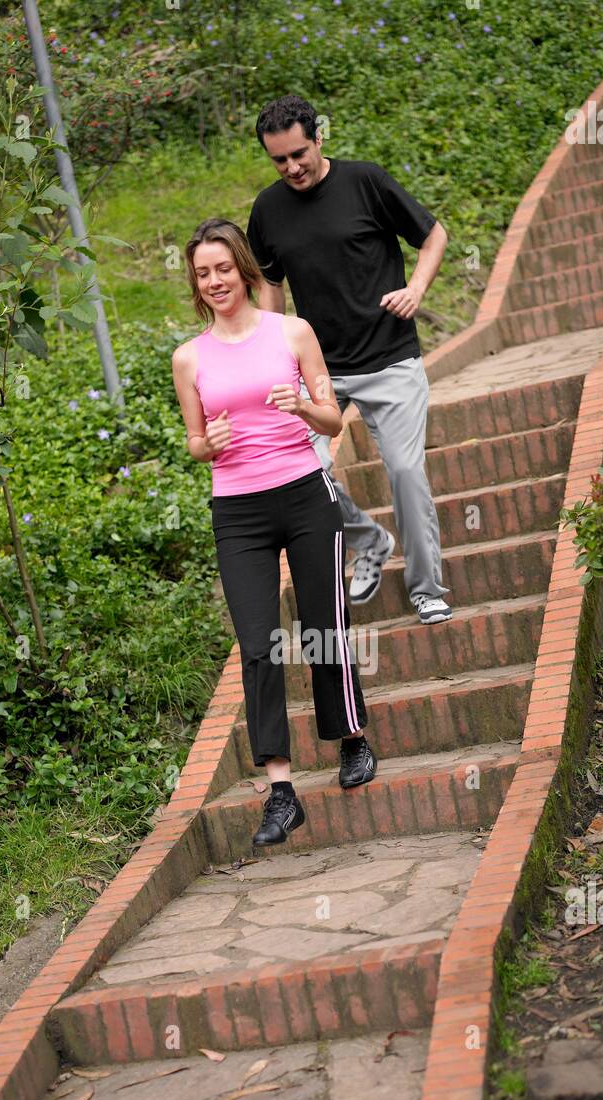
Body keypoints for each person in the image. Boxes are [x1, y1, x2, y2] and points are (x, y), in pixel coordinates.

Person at [172, 218, 377, 850]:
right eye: (203, 274)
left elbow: (332, 418)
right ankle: (281, 791)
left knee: (322, 624)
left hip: (303, 494)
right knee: (258, 643)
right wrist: (210, 444)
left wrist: (300, 407)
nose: (214, 282)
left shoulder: (291, 332)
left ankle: (350, 738)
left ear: (243, 268)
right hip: (238, 512)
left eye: (223, 269)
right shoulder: (188, 357)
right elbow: (194, 443)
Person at [247, 94, 453, 624]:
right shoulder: (267, 210)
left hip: (389, 359)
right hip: (319, 370)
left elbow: (433, 235)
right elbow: (271, 283)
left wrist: (416, 288)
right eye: (279, 160)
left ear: (318, 138)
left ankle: (426, 589)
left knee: (406, 473)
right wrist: (274, 352)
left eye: (299, 153)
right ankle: (369, 540)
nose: (292, 167)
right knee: (302, 469)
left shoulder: (366, 181)